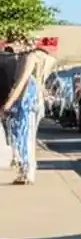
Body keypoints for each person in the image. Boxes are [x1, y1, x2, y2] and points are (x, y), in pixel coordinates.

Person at [0, 47, 42, 184]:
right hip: (20, 102)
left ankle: (28, 171)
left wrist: (9, 103)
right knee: (18, 136)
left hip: (27, 102)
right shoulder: (19, 58)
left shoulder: (30, 58)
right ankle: (24, 170)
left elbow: (21, 83)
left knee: (27, 135)